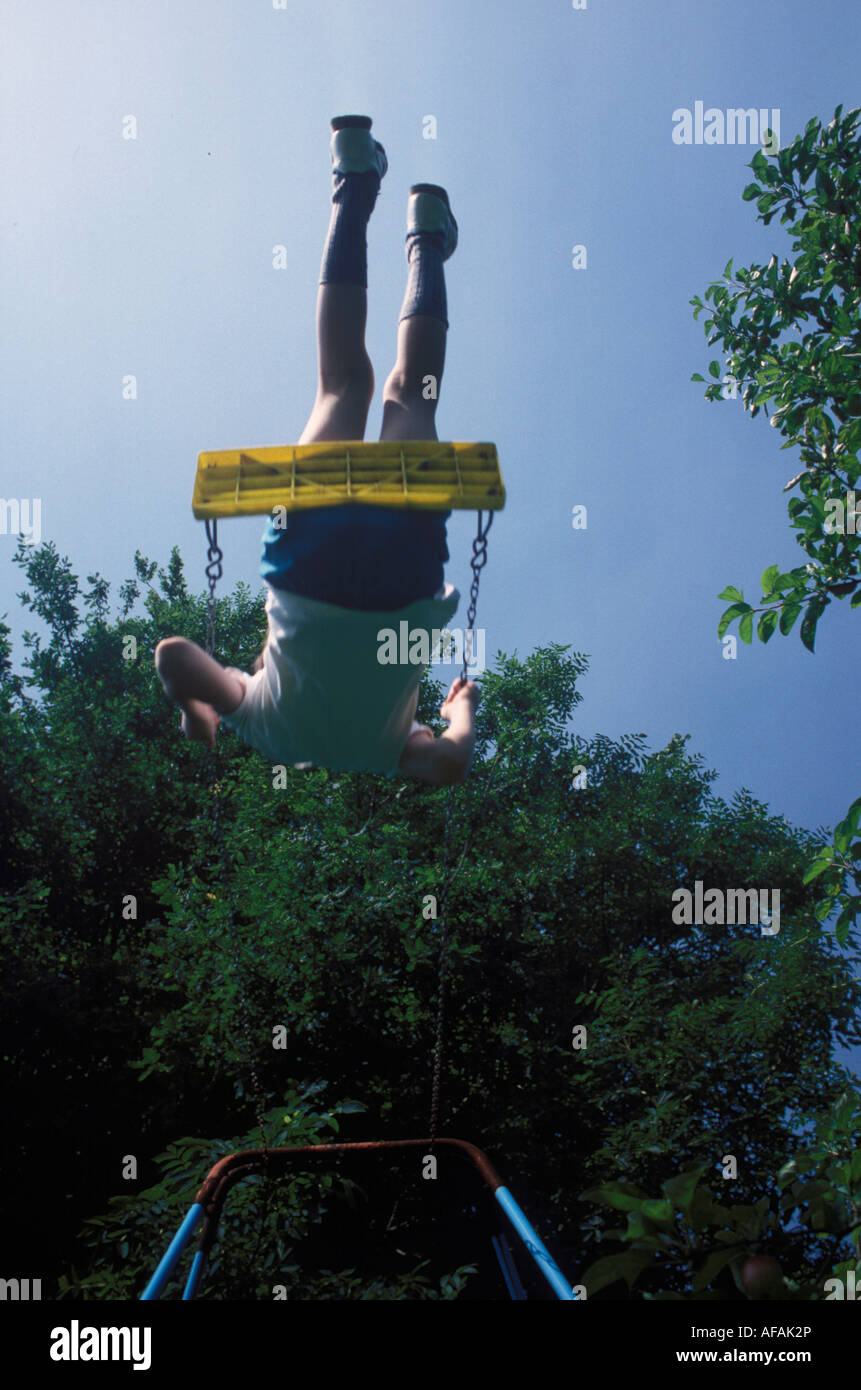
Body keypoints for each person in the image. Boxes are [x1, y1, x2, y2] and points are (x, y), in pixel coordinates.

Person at [155, 116, 479, 785]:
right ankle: (352, 184)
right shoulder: (265, 731)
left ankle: (425, 240)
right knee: (340, 384)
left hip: (402, 580)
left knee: (409, 398)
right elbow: (173, 656)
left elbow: (449, 760)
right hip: (309, 561)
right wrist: (195, 713)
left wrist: (462, 709)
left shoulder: (384, 754)